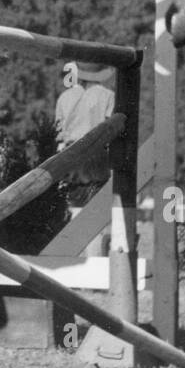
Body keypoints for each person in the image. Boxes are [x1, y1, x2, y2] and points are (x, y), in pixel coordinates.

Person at [55, 61, 116, 256]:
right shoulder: (107, 96)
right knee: (95, 212)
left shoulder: (65, 97)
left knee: (72, 206)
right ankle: (95, 259)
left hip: (70, 153)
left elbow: (58, 131)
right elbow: (111, 129)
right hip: (96, 154)